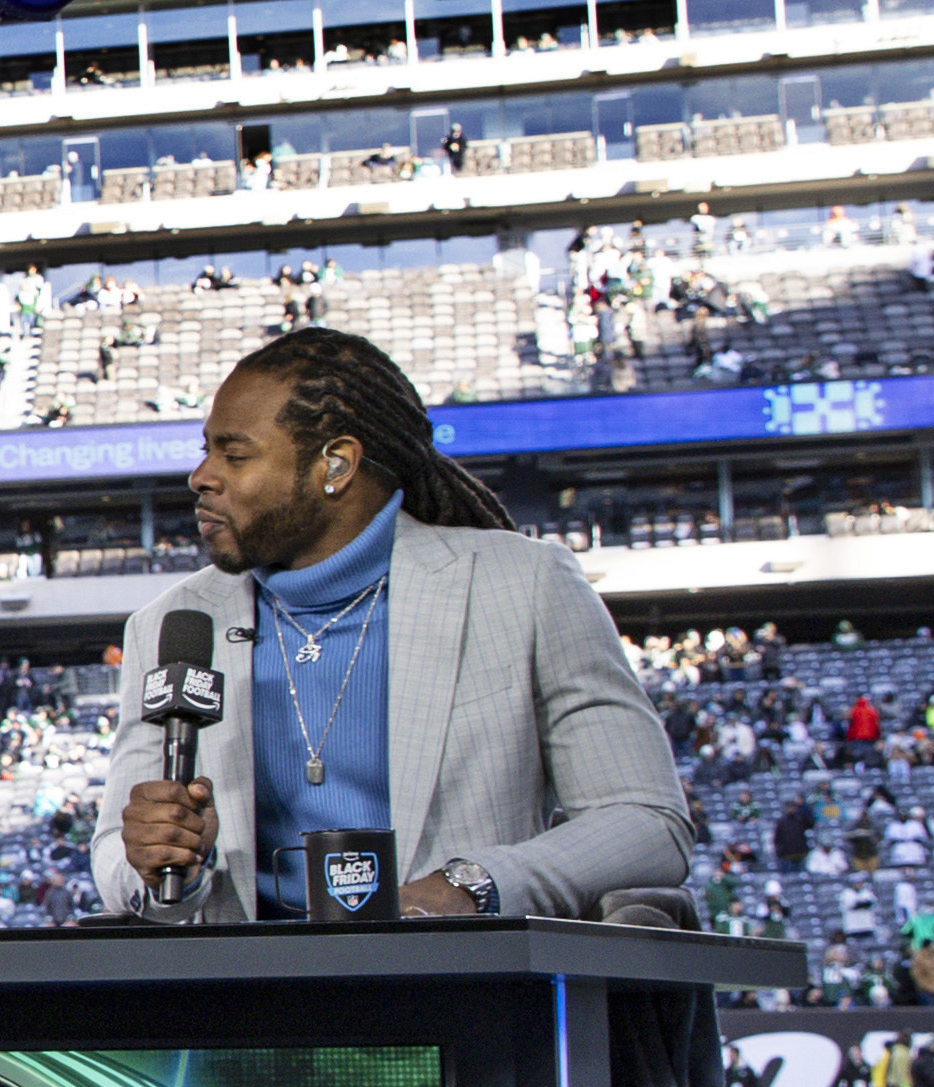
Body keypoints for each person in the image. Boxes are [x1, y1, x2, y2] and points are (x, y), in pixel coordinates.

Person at [98, 328, 693, 921]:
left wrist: (472, 886)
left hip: (458, 991)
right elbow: (114, 857)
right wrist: (160, 863)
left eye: (235, 454)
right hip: (248, 1000)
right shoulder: (171, 625)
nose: (201, 476)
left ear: (336, 465)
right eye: (206, 451)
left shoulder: (524, 585)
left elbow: (646, 821)